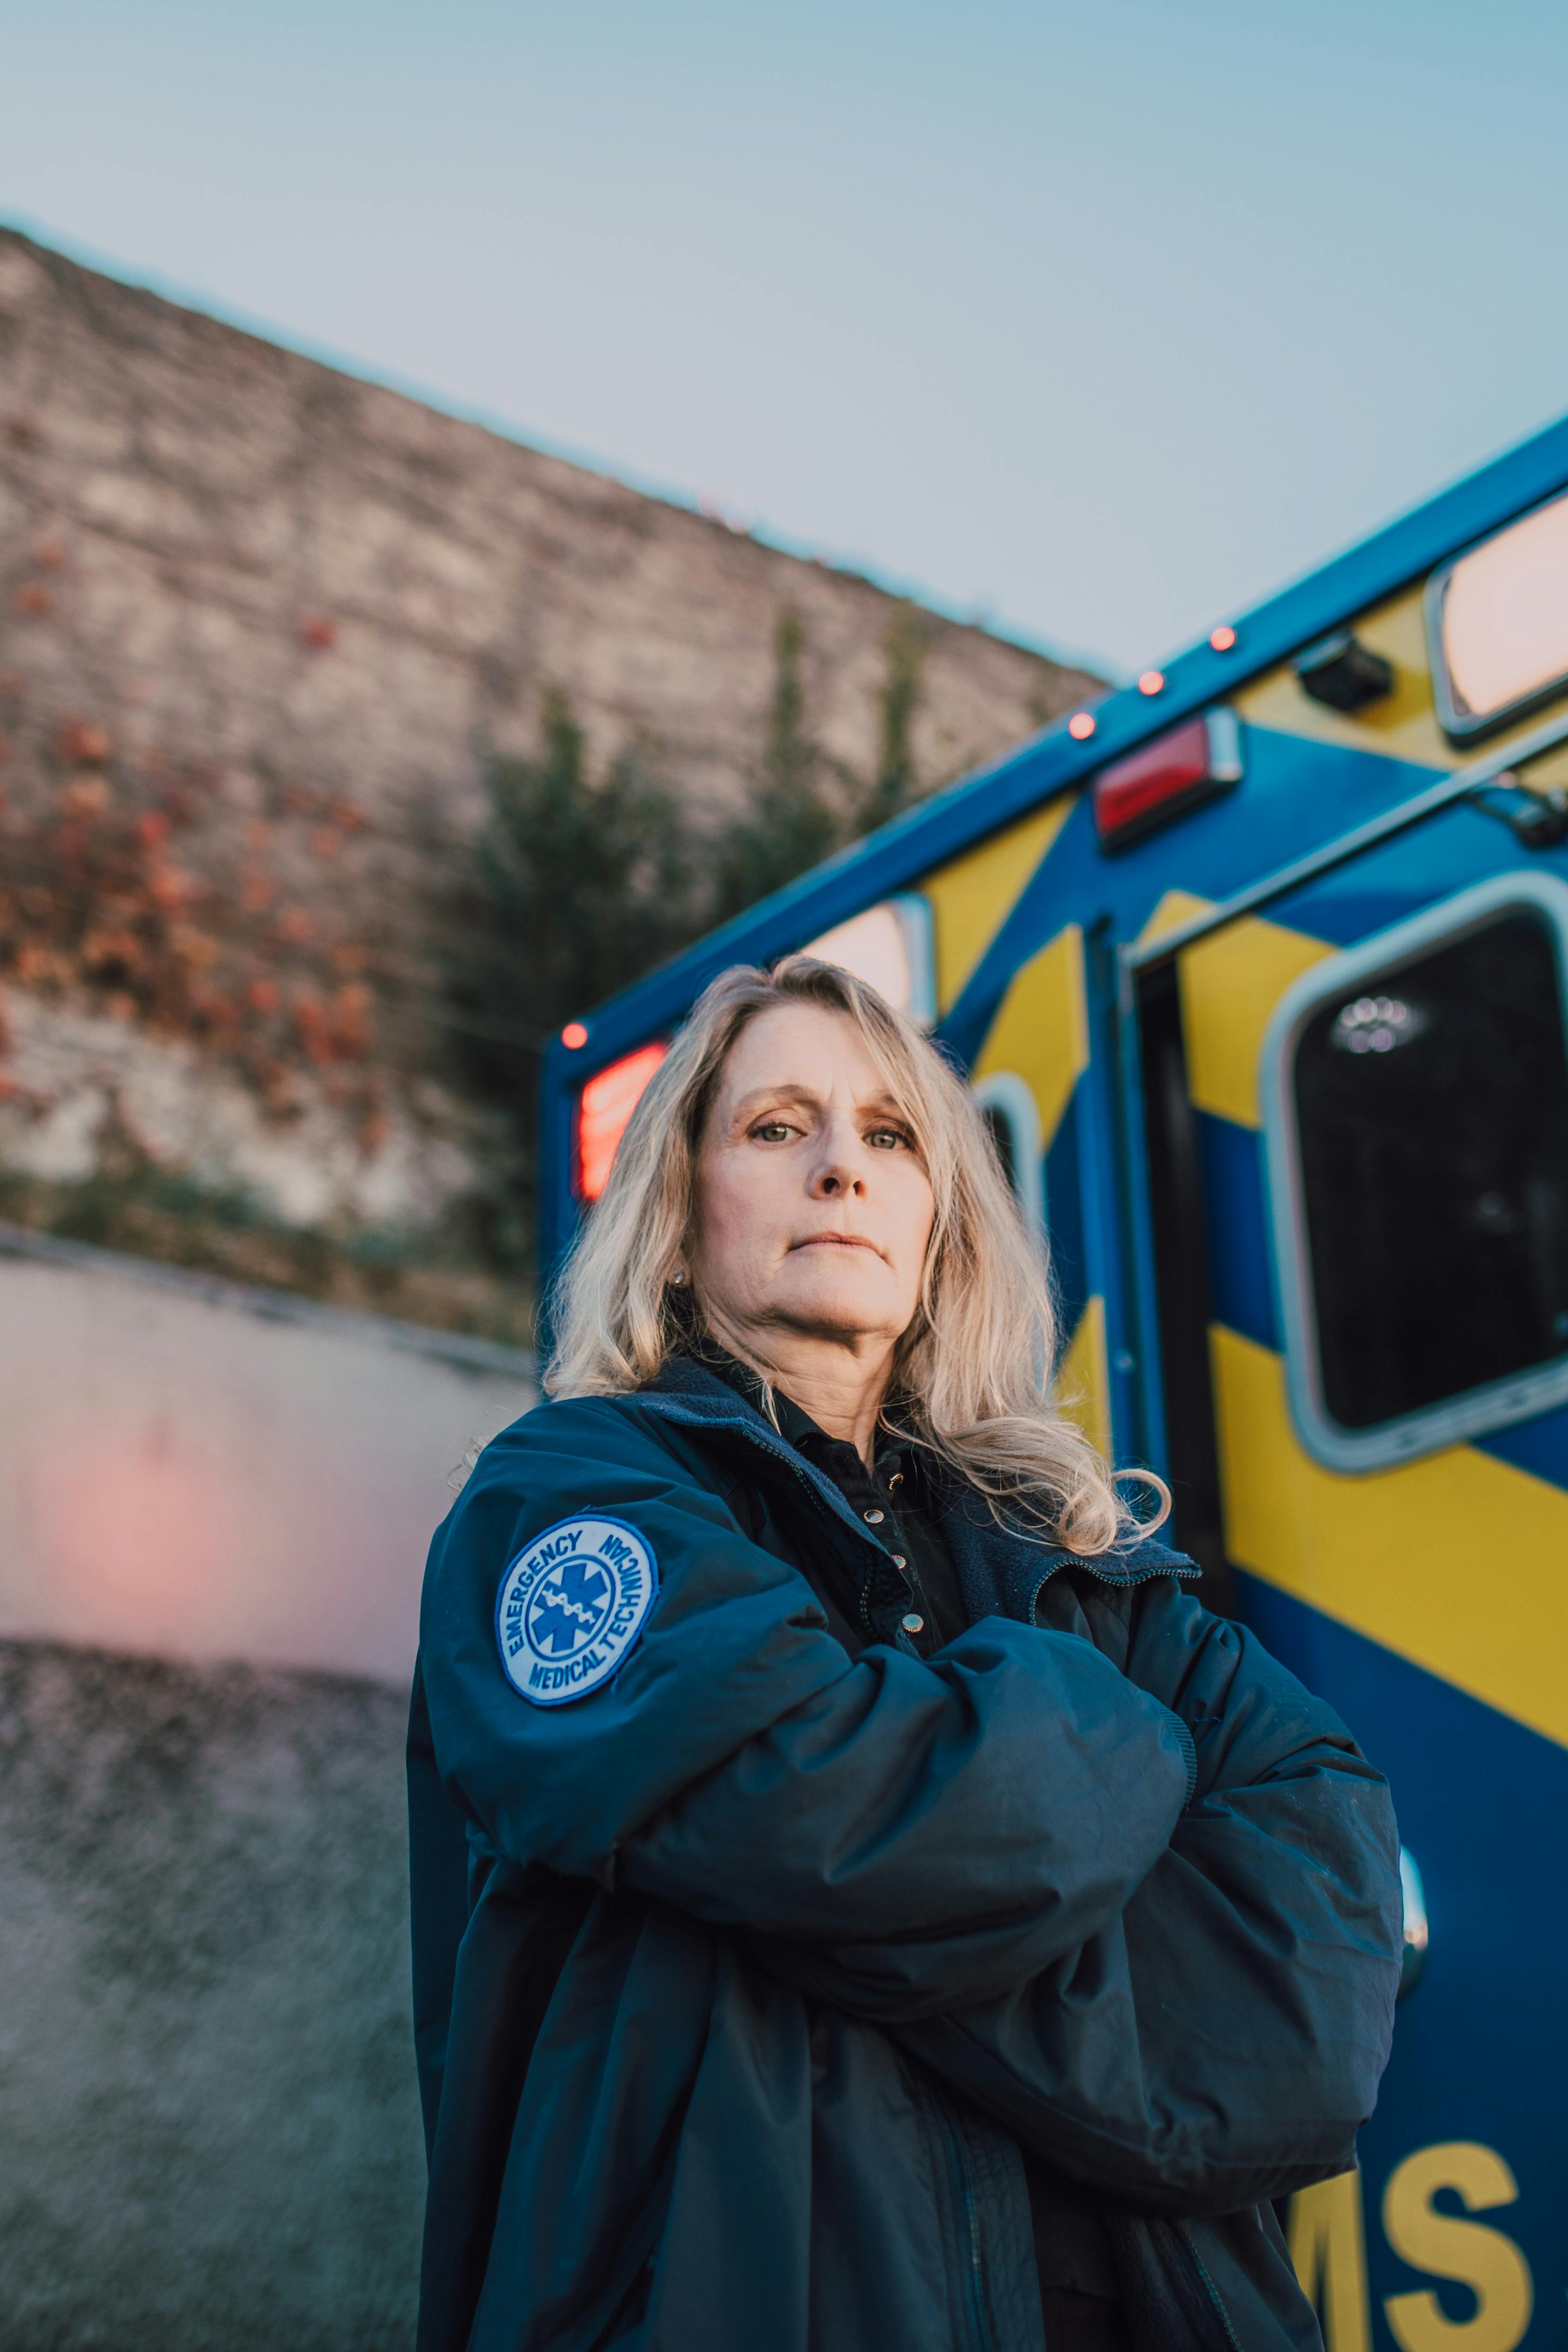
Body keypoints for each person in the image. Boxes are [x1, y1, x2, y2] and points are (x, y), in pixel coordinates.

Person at [408, 955, 1402, 2352]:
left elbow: (1305, 2004)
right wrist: (1106, 1736)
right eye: (773, 1128)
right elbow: (834, 1819)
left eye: (889, 1137)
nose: (839, 1168)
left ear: (940, 1219)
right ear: (680, 1219)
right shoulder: (565, 1497)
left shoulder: (1086, 1554)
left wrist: (899, 1899)